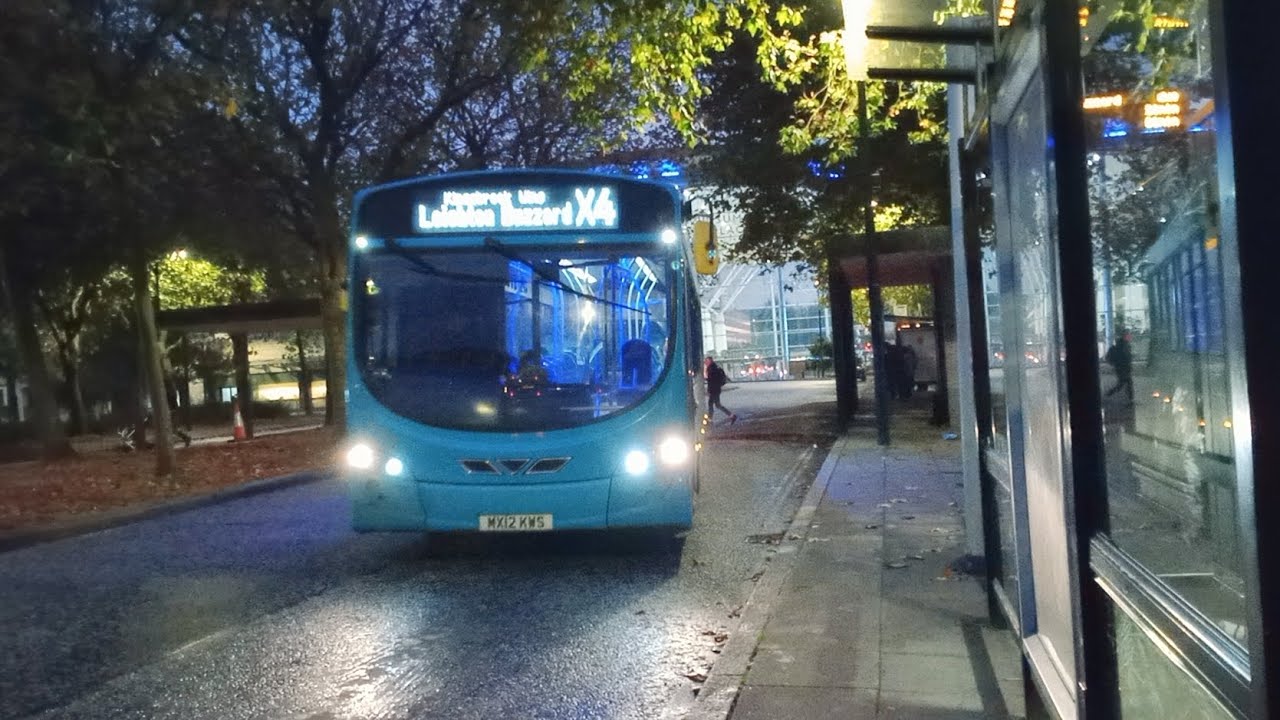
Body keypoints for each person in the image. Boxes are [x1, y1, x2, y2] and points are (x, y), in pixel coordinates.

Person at [704, 355, 737, 425]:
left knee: (713, 404)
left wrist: (708, 389)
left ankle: (710, 419)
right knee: (717, 405)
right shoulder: (715, 367)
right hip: (717, 389)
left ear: (710, 361)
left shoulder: (711, 369)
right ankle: (731, 415)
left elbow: (711, 380)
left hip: (714, 389)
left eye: (706, 361)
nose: (705, 362)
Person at [1105, 331, 1134, 402]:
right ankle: (1130, 398)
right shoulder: (1124, 347)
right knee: (1127, 382)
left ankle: (1109, 393)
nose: (1130, 338)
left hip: (1121, 368)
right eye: (1128, 336)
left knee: (1124, 383)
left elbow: (1127, 357)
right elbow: (1126, 357)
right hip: (1122, 368)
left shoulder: (1123, 346)